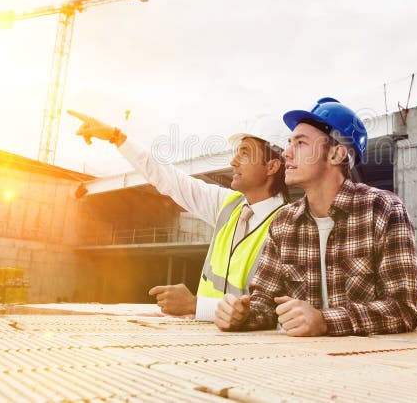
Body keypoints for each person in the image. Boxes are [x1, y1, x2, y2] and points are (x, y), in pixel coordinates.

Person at [213, 98, 417, 336]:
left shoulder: (384, 210)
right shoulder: (283, 224)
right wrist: (242, 314)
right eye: (289, 143)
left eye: (300, 144)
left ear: (335, 154)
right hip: (304, 366)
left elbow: (404, 309)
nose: (287, 154)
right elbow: (265, 304)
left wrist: (325, 321)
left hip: (372, 365)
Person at [68, 111, 289, 320]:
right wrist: (116, 137)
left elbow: (272, 308)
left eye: (244, 153)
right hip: (205, 338)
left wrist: (195, 305)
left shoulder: (288, 226)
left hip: (251, 347)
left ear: (271, 166)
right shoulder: (228, 205)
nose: (233, 162)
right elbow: (170, 179)